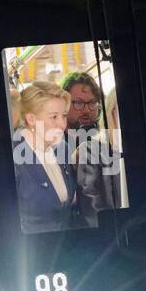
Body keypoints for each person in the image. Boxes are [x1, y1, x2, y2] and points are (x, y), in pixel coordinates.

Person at [12, 82, 85, 233]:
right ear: (31, 119)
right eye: (54, 117)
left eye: (63, 116)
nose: (61, 124)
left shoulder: (63, 148)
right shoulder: (13, 157)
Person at [61, 71, 121, 215]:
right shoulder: (52, 144)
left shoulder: (106, 139)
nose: (87, 110)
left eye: (92, 102)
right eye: (79, 103)